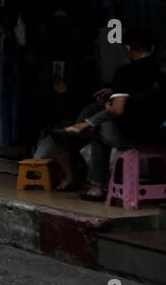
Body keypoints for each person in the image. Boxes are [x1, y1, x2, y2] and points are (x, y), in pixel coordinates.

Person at [59, 30, 164, 200]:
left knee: (98, 132)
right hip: (157, 133)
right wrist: (115, 91)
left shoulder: (125, 72)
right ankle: (156, 177)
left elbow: (117, 111)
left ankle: (96, 186)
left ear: (128, 48)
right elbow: (144, 94)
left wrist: (107, 106)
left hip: (132, 134)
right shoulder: (159, 69)